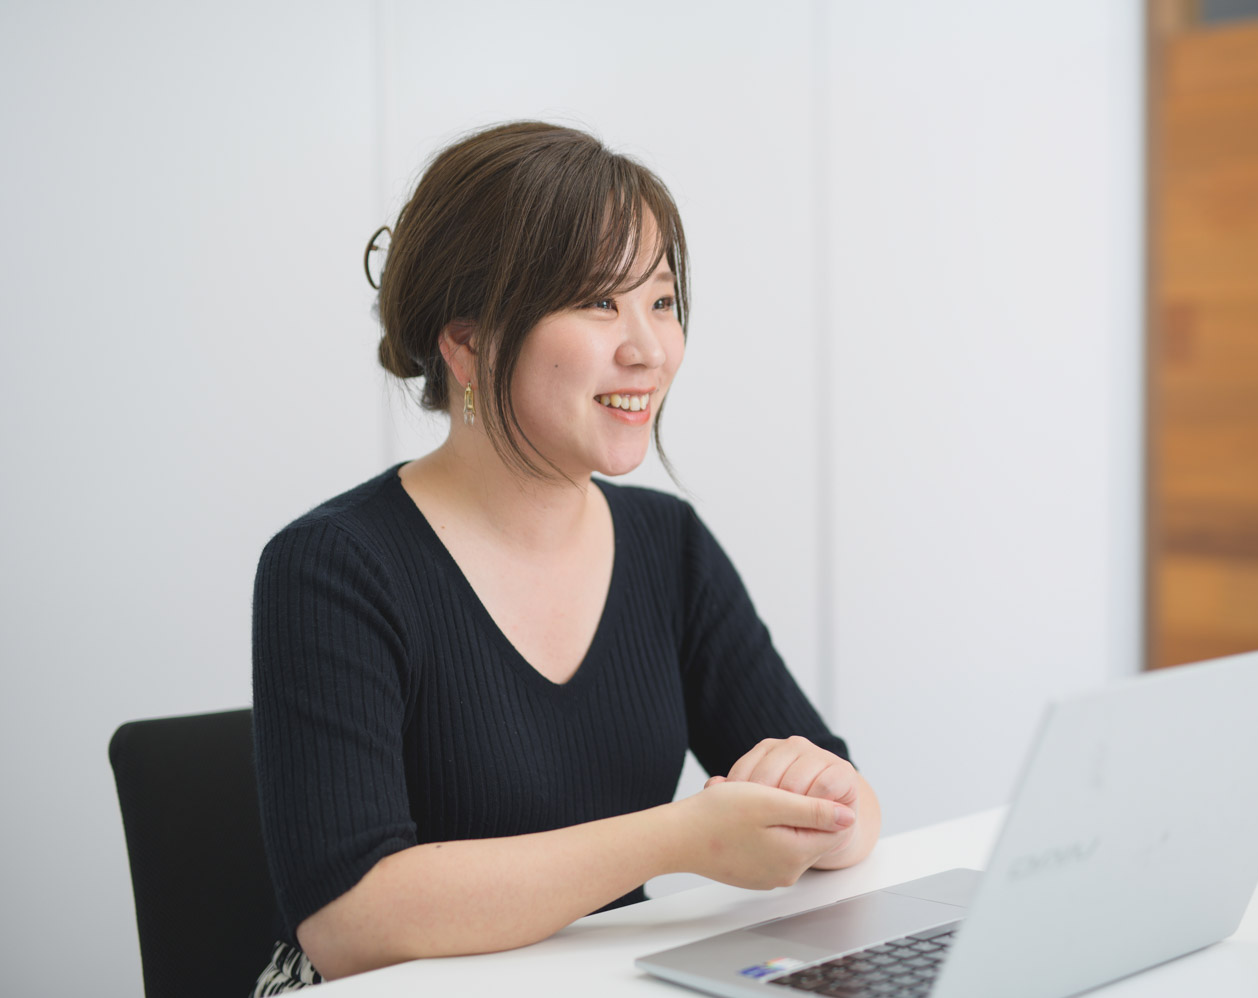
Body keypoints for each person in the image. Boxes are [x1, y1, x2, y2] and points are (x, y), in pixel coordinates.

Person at [249, 121, 880, 992]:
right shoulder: (332, 567)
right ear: (467, 342)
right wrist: (681, 837)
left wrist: (829, 808)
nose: (647, 349)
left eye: (661, 301)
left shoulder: (668, 546)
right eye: (598, 303)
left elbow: (847, 795)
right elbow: (352, 923)